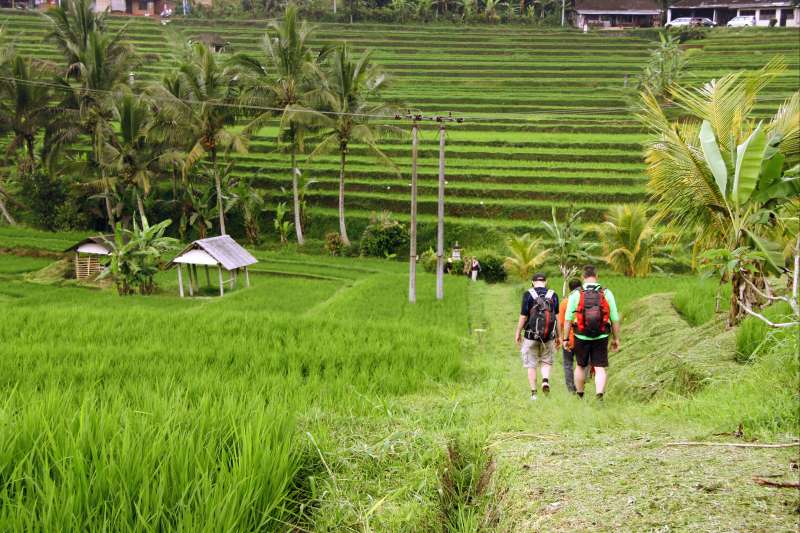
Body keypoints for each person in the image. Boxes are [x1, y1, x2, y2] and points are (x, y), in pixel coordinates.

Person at [563, 265, 620, 401]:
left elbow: (567, 319)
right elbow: (615, 319)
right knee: (599, 366)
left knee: (580, 365)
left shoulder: (576, 294)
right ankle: (599, 394)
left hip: (580, 335)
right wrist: (616, 338)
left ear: (583, 277)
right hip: (601, 335)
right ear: (597, 276)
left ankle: (580, 395)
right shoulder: (606, 293)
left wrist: (565, 339)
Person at [515, 272, 560, 400]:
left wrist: (518, 332)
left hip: (530, 336)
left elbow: (523, 316)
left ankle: (534, 393)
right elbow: (557, 318)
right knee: (546, 361)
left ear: (532, 282)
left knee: (531, 364)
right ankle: (545, 380)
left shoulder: (528, 294)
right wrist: (559, 336)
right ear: (545, 282)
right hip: (548, 336)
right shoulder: (553, 295)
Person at [557, 278, 582, 394]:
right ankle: (581, 386)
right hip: (582, 337)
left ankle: (571, 389)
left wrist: (561, 338)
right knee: (581, 364)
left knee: (568, 364)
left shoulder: (565, 302)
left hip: (568, 338)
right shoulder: (584, 300)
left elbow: (561, 322)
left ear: (569, 288)